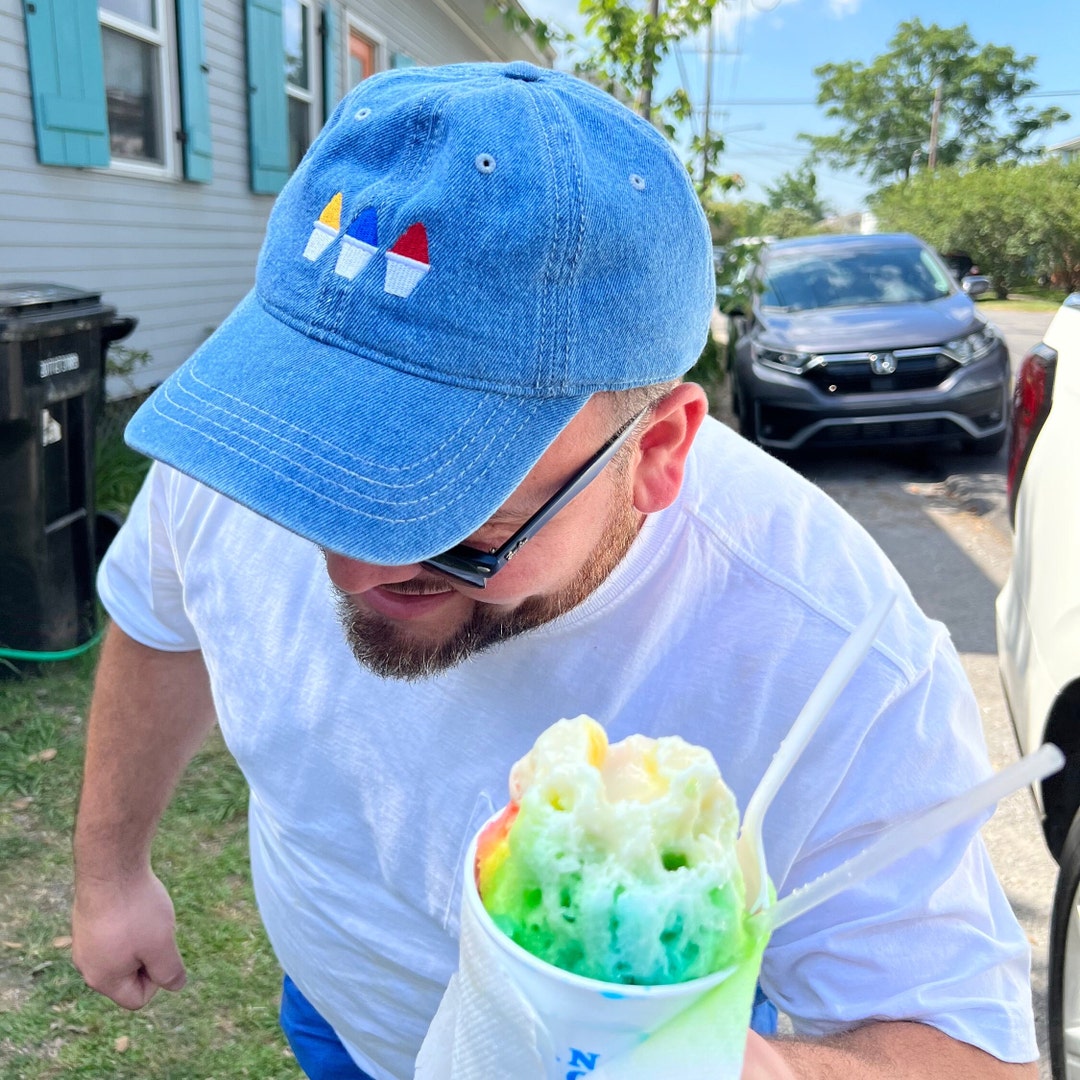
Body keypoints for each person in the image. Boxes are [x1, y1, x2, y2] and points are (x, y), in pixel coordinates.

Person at [72, 62, 1037, 1080]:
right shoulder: (241, 441)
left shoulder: (833, 655)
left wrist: (762, 1072)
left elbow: (972, 1056)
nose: (351, 573)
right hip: (338, 1014)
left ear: (658, 451)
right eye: (308, 490)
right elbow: (160, 613)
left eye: (452, 527)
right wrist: (109, 871)